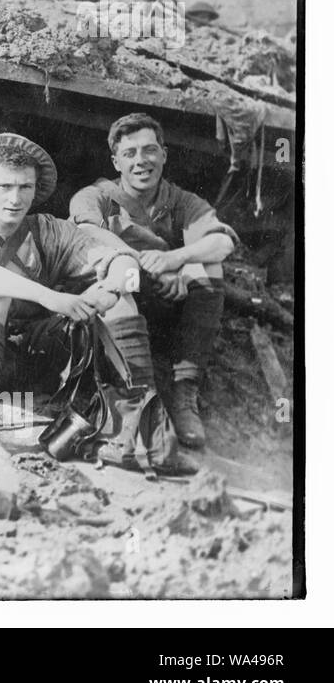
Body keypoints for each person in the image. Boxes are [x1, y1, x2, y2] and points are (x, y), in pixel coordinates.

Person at [0, 133, 153, 440]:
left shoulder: (50, 231)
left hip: (36, 361)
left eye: (25, 187)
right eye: (5, 187)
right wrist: (52, 298)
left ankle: (139, 412)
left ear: (34, 191)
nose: (15, 198)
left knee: (121, 300)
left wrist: (110, 290)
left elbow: (125, 265)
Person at [69, 113, 238, 448]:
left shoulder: (181, 200)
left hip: (164, 307)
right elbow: (86, 230)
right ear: (116, 161)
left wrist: (177, 261)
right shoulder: (97, 196)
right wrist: (148, 266)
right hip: (112, 307)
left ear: (164, 154)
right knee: (118, 275)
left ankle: (184, 391)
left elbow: (224, 241)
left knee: (210, 270)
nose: (141, 161)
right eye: (129, 153)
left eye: (149, 150)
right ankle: (138, 399)